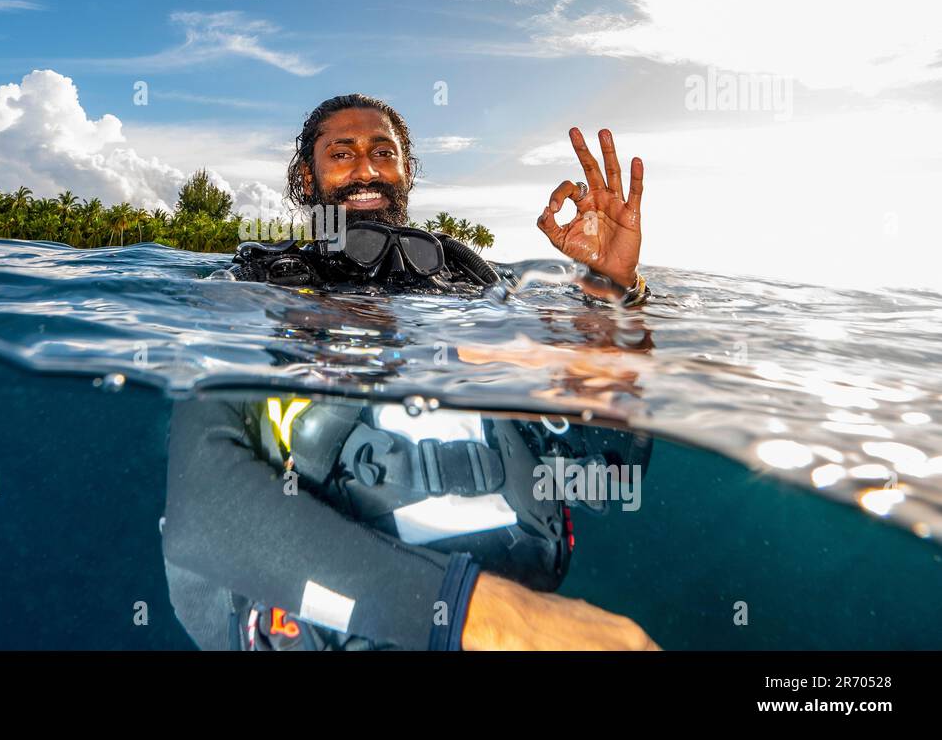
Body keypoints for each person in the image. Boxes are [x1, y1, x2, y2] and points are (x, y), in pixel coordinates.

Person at [161, 94, 659, 650]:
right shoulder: (257, 287)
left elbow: (614, 473)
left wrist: (613, 292)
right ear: (307, 177)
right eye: (341, 153)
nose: (367, 169)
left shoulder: (476, 287)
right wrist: (489, 618)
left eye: (383, 151)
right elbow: (202, 517)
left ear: (407, 170)